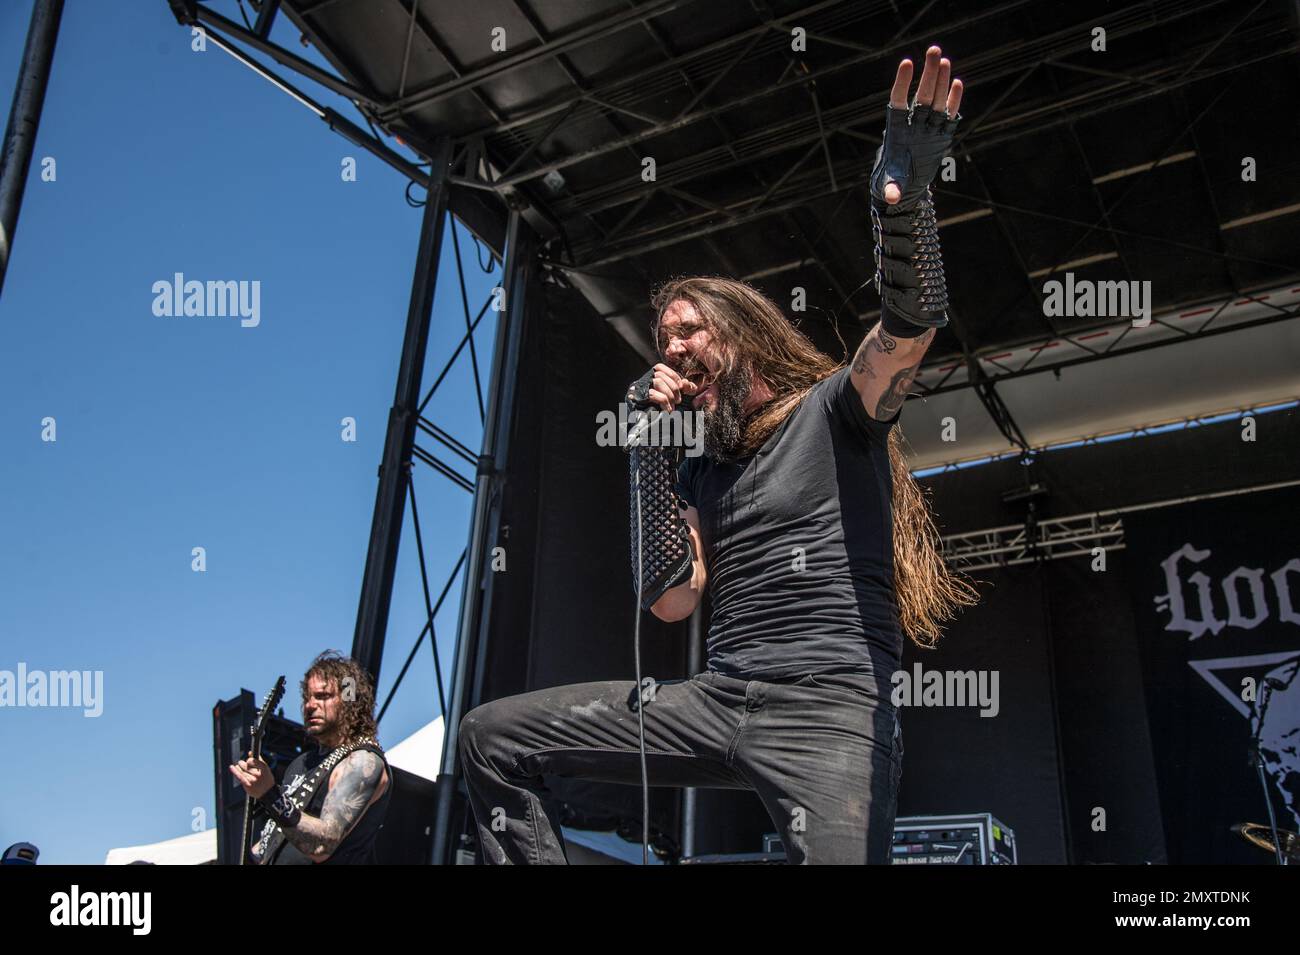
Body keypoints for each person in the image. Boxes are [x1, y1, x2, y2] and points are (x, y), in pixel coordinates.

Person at [459, 45, 977, 864]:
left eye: (690, 330)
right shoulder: (698, 465)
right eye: (664, 339)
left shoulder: (835, 410)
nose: (674, 348)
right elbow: (672, 601)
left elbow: (907, 337)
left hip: (828, 714)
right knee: (488, 738)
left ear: (740, 334)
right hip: (716, 701)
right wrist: (649, 449)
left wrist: (903, 210)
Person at [229, 651, 391, 864]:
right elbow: (269, 845)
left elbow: (322, 844)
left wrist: (270, 794)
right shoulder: (301, 764)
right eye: (307, 698)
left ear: (349, 700)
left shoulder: (362, 761)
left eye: (322, 696)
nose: (310, 705)